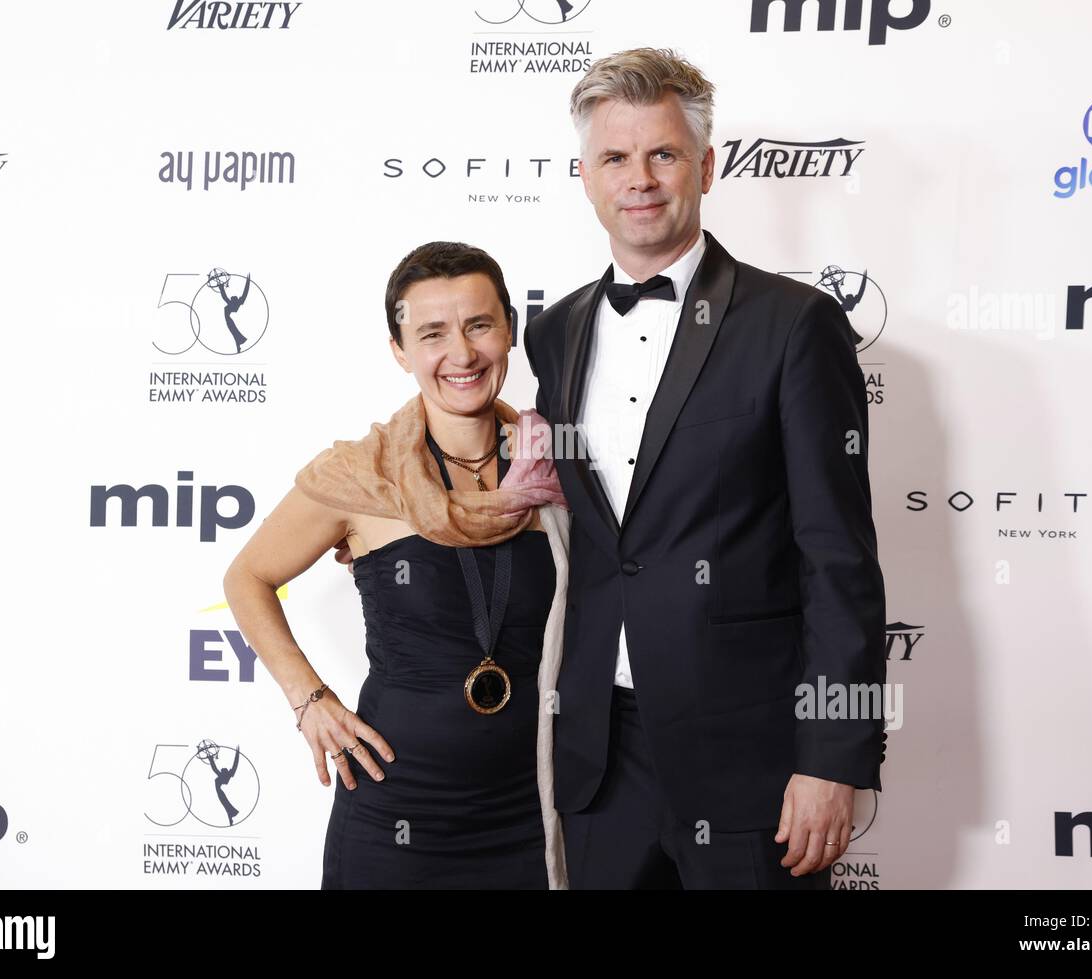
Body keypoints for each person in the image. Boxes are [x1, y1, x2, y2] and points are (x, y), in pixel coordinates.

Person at [521, 47, 889, 889]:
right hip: (598, 761)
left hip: (750, 763)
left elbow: (839, 559)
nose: (639, 179)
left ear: (706, 167)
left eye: (664, 154)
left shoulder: (795, 324)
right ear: (585, 174)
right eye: (615, 157)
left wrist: (835, 757)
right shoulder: (557, 332)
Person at [222, 242, 571, 889]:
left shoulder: (557, 465)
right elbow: (247, 577)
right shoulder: (363, 474)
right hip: (396, 814)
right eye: (432, 333)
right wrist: (309, 698)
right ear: (399, 349)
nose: (461, 354)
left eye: (479, 325)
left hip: (532, 810)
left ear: (510, 332)